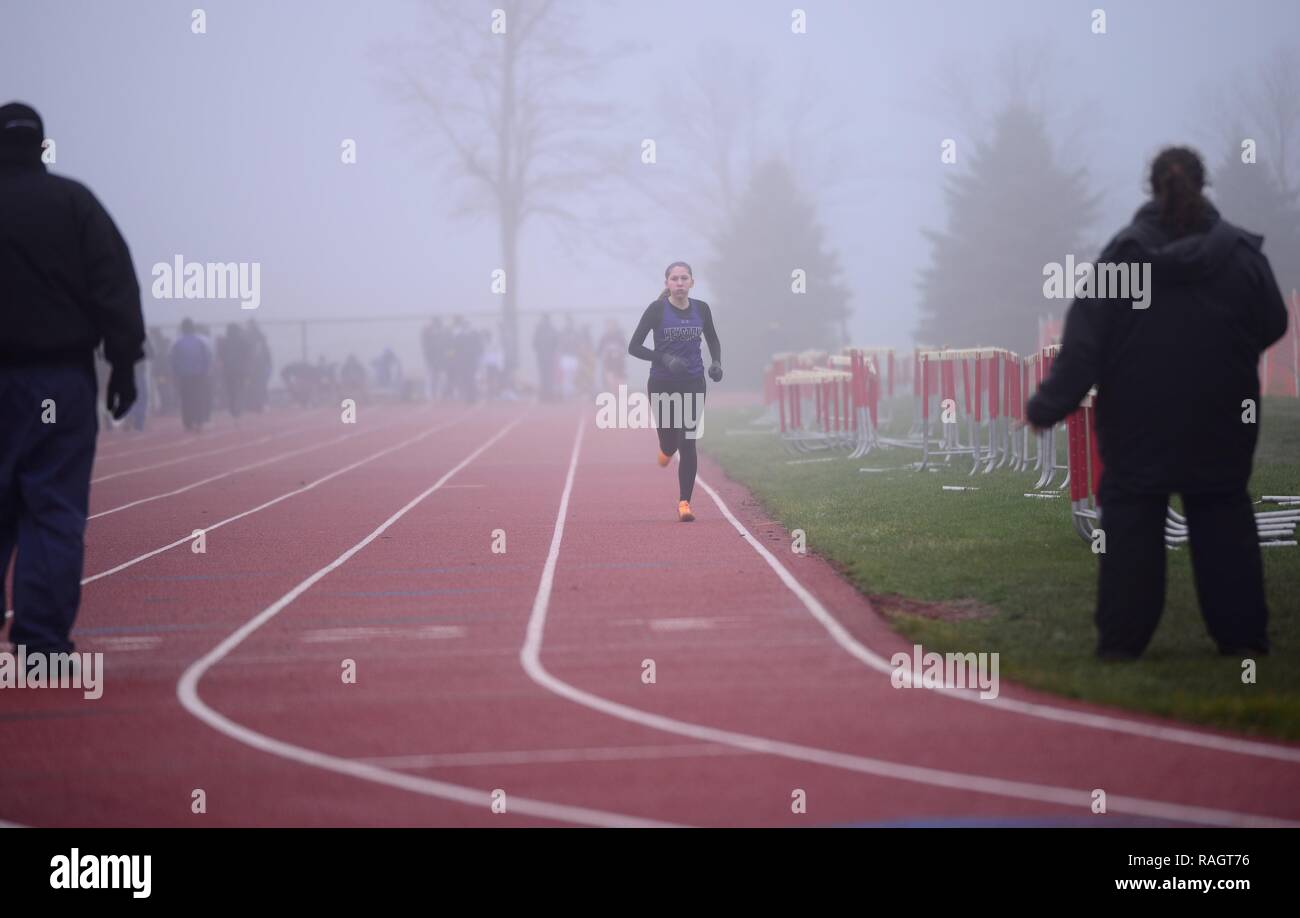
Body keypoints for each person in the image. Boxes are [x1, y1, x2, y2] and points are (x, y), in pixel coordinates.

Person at [1026, 146, 1290, 660]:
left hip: (1136, 422)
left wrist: (1045, 407)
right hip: (1221, 417)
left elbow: (1084, 345)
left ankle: (1123, 644)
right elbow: (1274, 321)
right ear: (1203, 184)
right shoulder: (1239, 255)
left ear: (1151, 188)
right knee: (1223, 520)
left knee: (1131, 530)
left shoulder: (1123, 257)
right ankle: (1243, 642)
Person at [0, 101, 145, 658]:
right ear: (41, 146)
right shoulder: (74, 202)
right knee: (53, 509)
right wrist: (125, 363)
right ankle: (40, 644)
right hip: (58, 381)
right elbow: (115, 283)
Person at [628, 261, 723, 522]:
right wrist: (665, 359)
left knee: (688, 440)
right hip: (662, 384)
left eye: (684, 278)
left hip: (693, 382)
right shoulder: (657, 310)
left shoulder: (701, 309)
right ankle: (666, 450)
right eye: (674, 279)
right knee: (669, 442)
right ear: (667, 283)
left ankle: (685, 503)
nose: (679, 283)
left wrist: (716, 363)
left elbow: (712, 339)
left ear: (692, 282)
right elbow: (634, 347)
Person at [171, 318, 213, 431]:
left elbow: (173, 360)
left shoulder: (178, 343)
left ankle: (188, 422)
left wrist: (174, 374)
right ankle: (199, 421)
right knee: (198, 397)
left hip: (184, 375)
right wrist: (207, 371)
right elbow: (207, 358)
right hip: (199, 374)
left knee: (186, 399)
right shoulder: (200, 342)